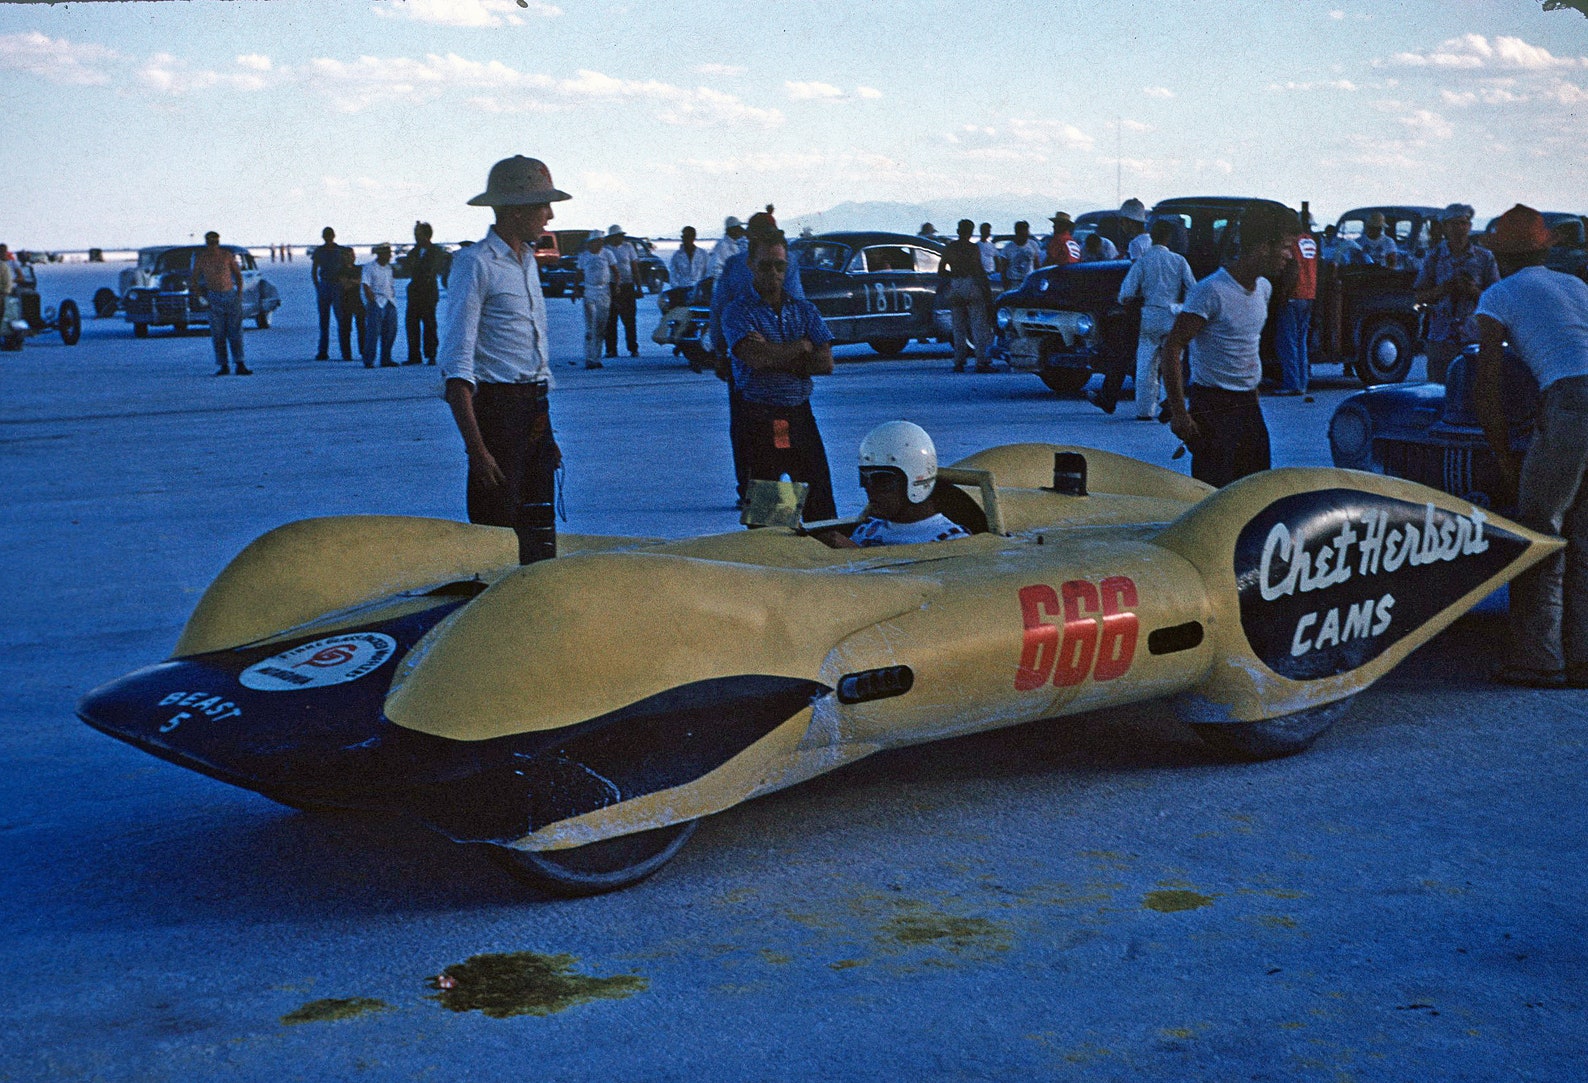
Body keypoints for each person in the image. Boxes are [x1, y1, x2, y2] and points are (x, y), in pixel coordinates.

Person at [1471, 205, 1588, 688]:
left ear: (1500, 257)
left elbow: (1486, 384)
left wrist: (1501, 455)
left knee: (1539, 529)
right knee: (1582, 532)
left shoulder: (1498, 294)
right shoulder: (1577, 287)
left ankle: (1536, 660)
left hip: (1569, 400)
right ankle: (1581, 658)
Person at [438, 155, 570, 548]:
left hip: (533, 413)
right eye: (541, 205)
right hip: (497, 416)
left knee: (539, 530)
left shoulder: (528, 262)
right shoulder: (476, 263)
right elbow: (456, 368)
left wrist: (545, 433)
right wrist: (478, 452)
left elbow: (532, 360)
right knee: (497, 536)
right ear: (514, 210)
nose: (549, 216)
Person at [1160, 204, 1300, 486]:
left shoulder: (1264, 289)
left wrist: (1254, 390)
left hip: (1249, 407)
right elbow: (1173, 347)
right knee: (1215, 495)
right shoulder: (1210, 292)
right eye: (1285, 247)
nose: (1290, 256)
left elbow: (1246, 347)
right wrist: (1179, 413)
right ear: (1263, 246)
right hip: (1213, 409)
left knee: (1255, 493)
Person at [721, 227, 837, 521]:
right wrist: (800, 346)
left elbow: (825, 363)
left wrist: (775, 354)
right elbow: (755, 358)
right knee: (767, 521)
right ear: (751, 265)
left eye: (780, 265)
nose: (773, 272)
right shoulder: (738, 312)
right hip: (759, 420)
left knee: (821, 511)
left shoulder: (804, 310)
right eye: (765, 265)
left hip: (800, 418)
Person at [711, 211, 807, 506]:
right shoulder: (784, 265)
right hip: (778, 365)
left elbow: (718, 311)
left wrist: (719, 352)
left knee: (745, 429)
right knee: (780, 428)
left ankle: (750, 489)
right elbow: (798, 305)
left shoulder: (735, 265)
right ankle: (779, 488)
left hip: (745, 366)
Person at [1100, 218, 1196, 419]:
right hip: (1172, 315)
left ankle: (1145, 410)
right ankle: (1170, 402)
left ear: (1152, 236)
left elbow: (1125, 293)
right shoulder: (1179, 261)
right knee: (1173, 361)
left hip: (1149, 315)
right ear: (1169, 238)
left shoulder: (1143, 262)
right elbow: (1193, 289)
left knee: (1145, 364)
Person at [836, 422, 972, 547]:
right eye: (864, 478)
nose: (869, 488)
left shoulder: (952, 540)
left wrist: (855, 554)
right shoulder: (866, 531)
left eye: (881, 479)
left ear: (915, 481)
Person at [1414, 203, 1499, 383]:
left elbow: (1496, 300)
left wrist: (1472, 290)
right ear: (1445, 227)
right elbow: (1418, 296)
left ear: (1469, 226)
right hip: (1440, 337)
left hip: (1474, 337)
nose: (1459, 229)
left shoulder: (1484, 258)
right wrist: (1444, 289)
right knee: (1439, 390)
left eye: (1463, 223)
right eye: (1453, 224)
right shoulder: (1434, 257)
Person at [1273, 210, 1320, 396]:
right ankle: (1302, 382)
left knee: (1287, 340)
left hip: (1294, 294)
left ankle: (1292, 383)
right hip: (1309, 294)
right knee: (1301, 341)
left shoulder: (1292, 243)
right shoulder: (1311, 242)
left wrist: (1284, 292)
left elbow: (1293, 268)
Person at [940, 218, 995, 373]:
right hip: (971, 285)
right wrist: (986, 292)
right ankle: (981, 361)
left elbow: (941, 270)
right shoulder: (973, 248)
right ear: (971, 233)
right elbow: (979, 270)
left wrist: (954, 275)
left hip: (955, 285)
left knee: (958, 326)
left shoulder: (950, 248)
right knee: (978, 325)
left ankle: (959, 361)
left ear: (958, 231)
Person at [192, 231, 250, 376]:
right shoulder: (202, 258)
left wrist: (239, 293)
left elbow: (237, 275)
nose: (213, 245)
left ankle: (240, 363)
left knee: (235, 332)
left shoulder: (226, 255)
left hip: (230, 296)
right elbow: (194, 279)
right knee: (218, 334)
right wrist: (200, 296)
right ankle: (223, 365)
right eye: (210, 242)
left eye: (215, 242)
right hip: (213, 297)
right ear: (206, 243)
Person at [403, 221, 443, 365]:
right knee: (411, 324)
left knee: (429, 324)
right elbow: (407, 269)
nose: (416, 237)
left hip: (428, 292)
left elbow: (433, 269)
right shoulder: (414, 252)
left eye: (418, 234)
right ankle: (414, 355)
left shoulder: (436, 251)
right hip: (414, 293)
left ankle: (431, 354)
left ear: (426, 235)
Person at [575, 229, 612, 370]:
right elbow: (579, 273)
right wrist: (576, 289)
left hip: (604, 293)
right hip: (589, 292)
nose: (600, 244)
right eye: (597, 242)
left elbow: (614, 270)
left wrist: (616, 287)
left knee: (601, 327)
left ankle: (597, 357)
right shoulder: (584, 256)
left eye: (601, 242)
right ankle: (589, 358)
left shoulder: (607, 254)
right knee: (590, 327)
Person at [311, 226, 349, 360]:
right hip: (325, 284)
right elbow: (314, 270)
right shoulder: (320, 251)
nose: (328, 238)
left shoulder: (339, 250)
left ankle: (344, 352)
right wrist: (318, 286)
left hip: (336, 285)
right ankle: (323, 351)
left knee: (341, 320)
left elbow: (346, 267)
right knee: (324, 321)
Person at [602, 224, 639, 358]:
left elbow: (634, 267)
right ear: (613, 237)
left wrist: (638, 286)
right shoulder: (606, 249)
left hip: (627, 285)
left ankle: (633, 348)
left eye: (622, 236)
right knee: (611, 319)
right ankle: (611, 349)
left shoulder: (628, 247)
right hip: (611, 286)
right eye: (619, 236)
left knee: (630, 319)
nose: (621, 238)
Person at [361, 243, 399, 367]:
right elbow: (365, 284)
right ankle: (369, 360)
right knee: (373, 333)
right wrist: (371, 299)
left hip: (389, 302)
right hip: (377, 302)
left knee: (390, 333)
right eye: (387, 253)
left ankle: (386, 358)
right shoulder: (369, 267)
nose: (389, 256)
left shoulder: (388, 268)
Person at [337, 247, 365, 360]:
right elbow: (345, 285)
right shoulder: (340, 270)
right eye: (348, 255)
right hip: (345, 301)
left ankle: (364, 351)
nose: (351, 258)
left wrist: (353, 281)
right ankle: (346, 354)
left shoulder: (359, 269)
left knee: (362, 327)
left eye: (352, 255)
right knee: (345, 328)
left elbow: (363, 281)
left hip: (359, 301)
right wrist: (356, 281)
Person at [1001, 221, 1042, 289]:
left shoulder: (1033, 245)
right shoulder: (1008, 248)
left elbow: (1037, 264)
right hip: (1014, 282)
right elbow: (1004, 269)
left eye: (1026, 235)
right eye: (1022, 235)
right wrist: (1005, 285)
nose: (1025, 238)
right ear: (1017, 233)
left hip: (1029, 281)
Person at [669, 226, 710, 293]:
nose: (685, 239)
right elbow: (673, 274)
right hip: (682, 290)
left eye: (688, 236)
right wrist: (677, 289)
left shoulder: (703, 254)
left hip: (699, 291)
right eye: (683, 236)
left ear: (693, 237)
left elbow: (708, 273)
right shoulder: (677, 255)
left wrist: (704, 288)